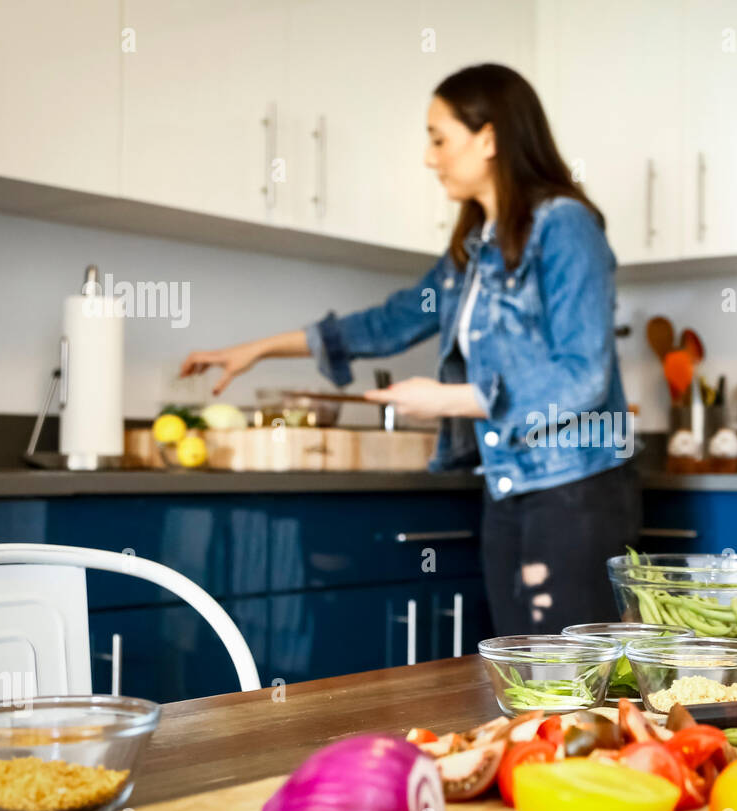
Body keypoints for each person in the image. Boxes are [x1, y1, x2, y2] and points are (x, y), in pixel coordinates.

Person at [180, 63, 640, 636]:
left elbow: (582, 377)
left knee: (576, 685)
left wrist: (450, 400)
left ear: (490, 138)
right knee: (526, 679)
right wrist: (258, 350)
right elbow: (391, 321)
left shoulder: (566, 228)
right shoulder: (472, 252)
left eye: (439, 138)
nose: (430, 157)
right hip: (508, 487)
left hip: (575, 492)